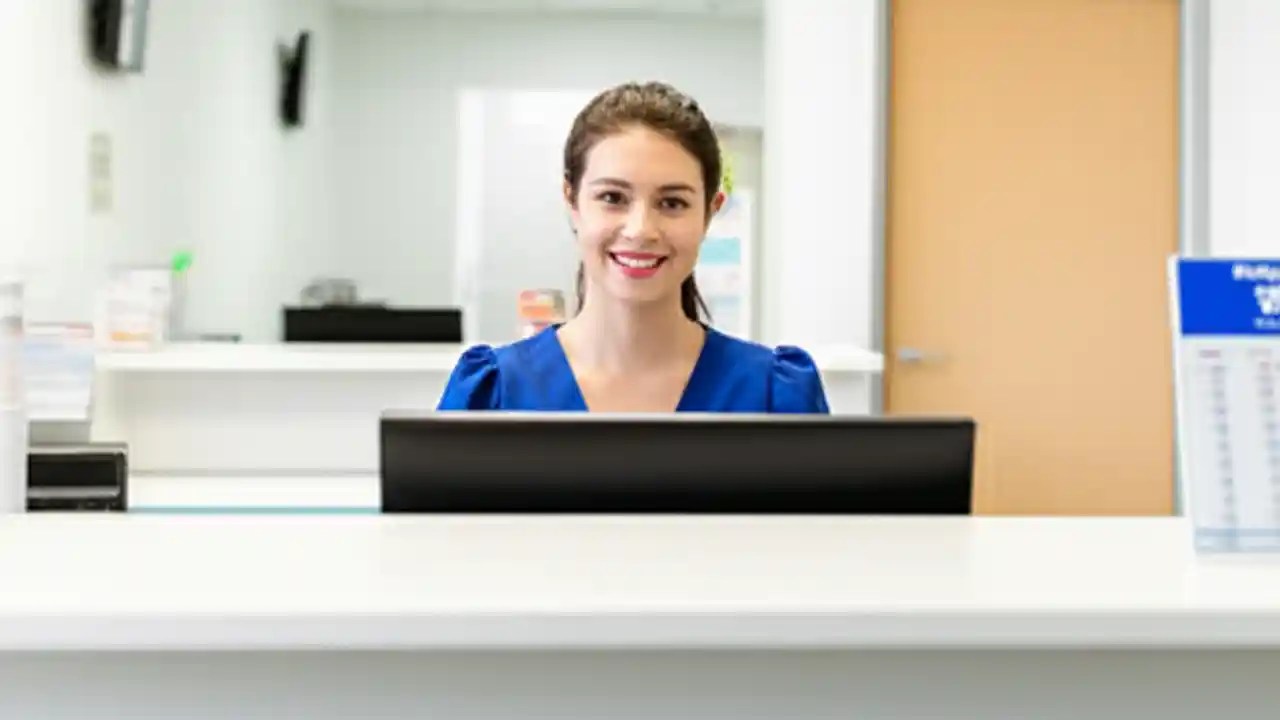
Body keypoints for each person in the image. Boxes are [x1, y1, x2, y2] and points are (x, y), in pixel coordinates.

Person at [438, 81, 829, 413]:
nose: (641, 230)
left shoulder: (775, 395)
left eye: (672, 203)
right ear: (572, 201)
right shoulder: (492, 392)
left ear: (710, 212)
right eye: (612, 198)